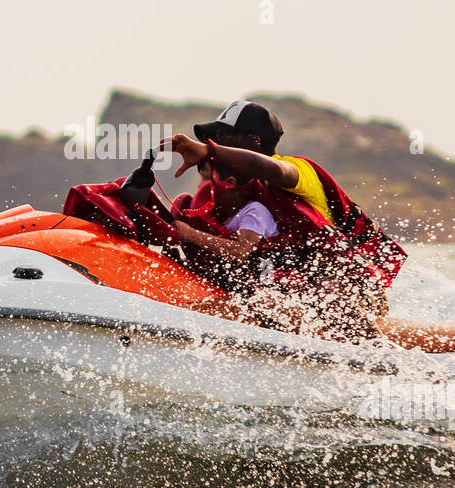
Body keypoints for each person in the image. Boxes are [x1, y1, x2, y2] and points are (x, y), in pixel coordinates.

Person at [161, 100, 407, 332]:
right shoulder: (243, 192)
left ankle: (381, 360)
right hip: (299, 285)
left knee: (273, 298)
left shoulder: (296, 170)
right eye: (213, 141)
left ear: (254, 141)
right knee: (258, 297)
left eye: (222, 139)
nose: (215, 147)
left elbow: (273, 170)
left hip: (341, 285)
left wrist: (207, 150)